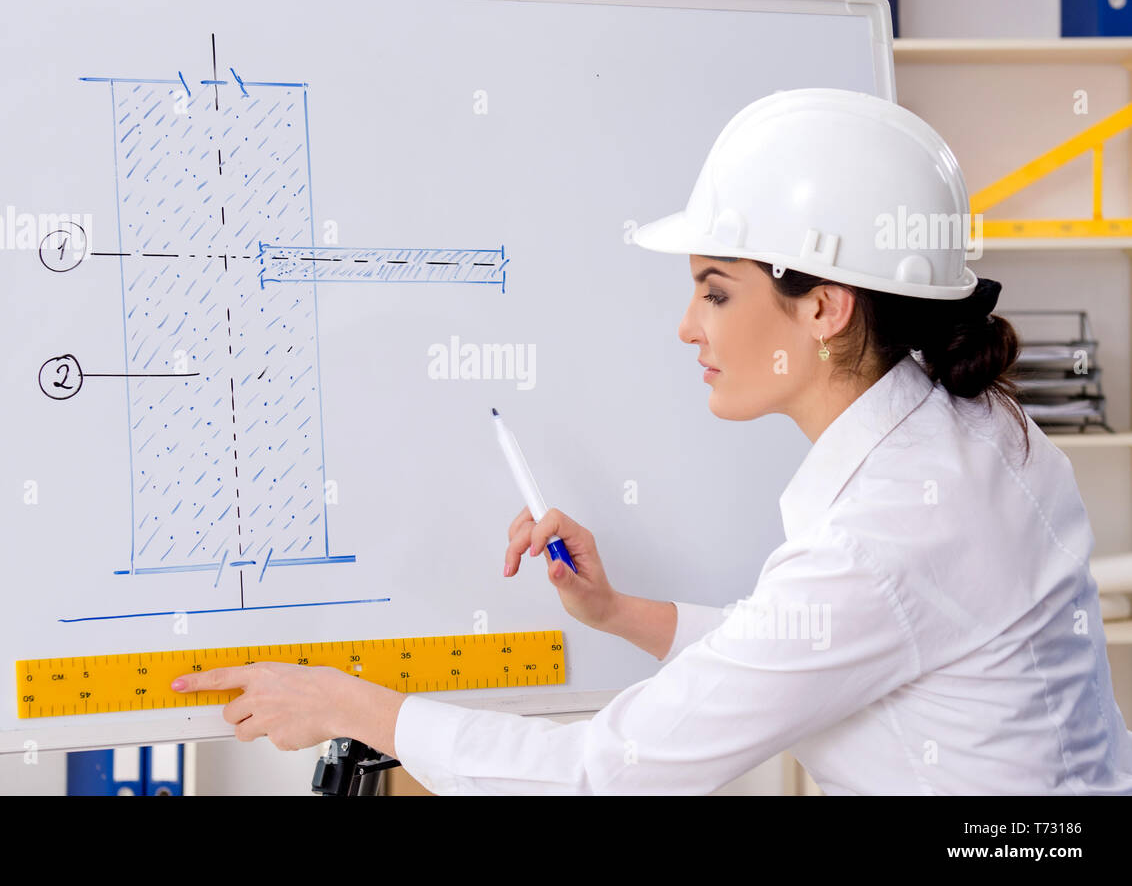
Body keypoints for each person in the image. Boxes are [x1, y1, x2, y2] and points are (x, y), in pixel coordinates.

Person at [172, 88, 1132, 794]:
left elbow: (600, 776)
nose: (688, 325)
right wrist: (622, 611)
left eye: (716, 289)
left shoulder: (889, 531)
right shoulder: (971, 425)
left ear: (826, 307)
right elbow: (808, 645)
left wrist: (346, 704)